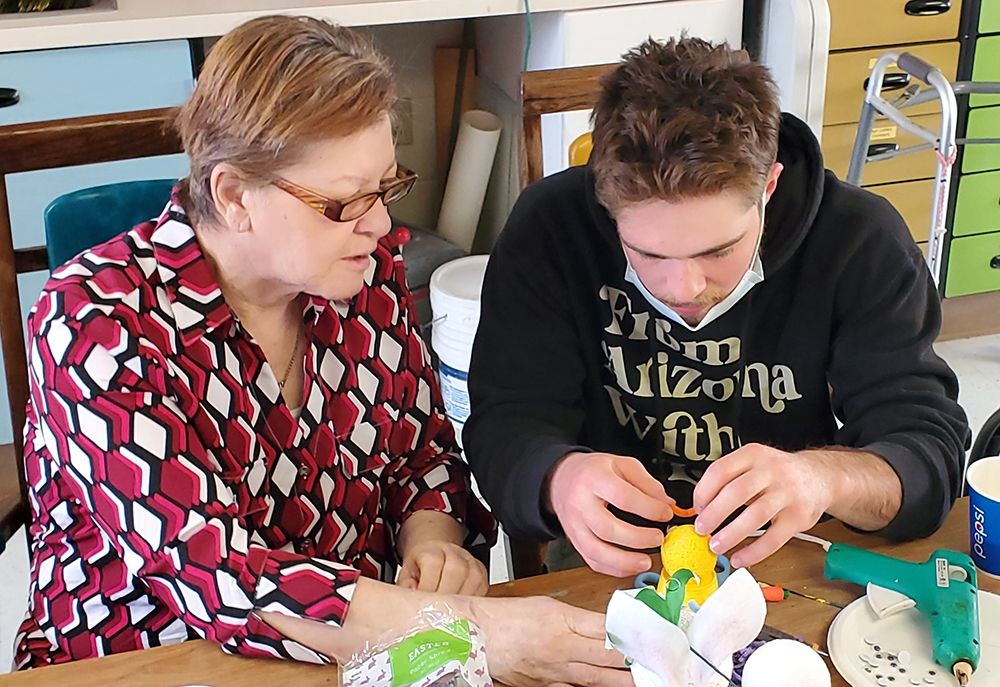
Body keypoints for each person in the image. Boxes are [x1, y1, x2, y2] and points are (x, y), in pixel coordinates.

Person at [13, 17, 630, 687]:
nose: (382, 224)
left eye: (386, 188)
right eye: (344, 202)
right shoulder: (95, 323)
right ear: (232, 194)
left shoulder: (362, 273)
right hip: (141, 663)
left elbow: (420, 453)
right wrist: (472, 629)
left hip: (356, 662)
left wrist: (433, 536)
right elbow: (220, 577)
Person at [464, 37, 970, 578]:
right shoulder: (550, 229)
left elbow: (930, 454)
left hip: (787, 547)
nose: (683, 287)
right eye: (647, 253)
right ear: (607, 201)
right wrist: (556, 478)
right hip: (611, 556)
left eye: (719, 250)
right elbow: (502, 426)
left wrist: (822, 479)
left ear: (769, 186)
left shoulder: (860, 242)